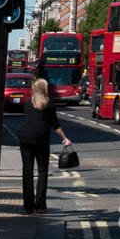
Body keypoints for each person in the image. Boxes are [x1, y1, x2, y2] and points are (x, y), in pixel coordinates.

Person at [16, 78, 73, 214]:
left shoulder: (28, 102)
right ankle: (40, 205)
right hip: (41, 141)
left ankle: (28, 207)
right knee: (42, 172)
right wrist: (65, 139)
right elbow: (55, 124)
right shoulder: (49, 103)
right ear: (44, 89)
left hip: (24, 139)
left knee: (27, 172)